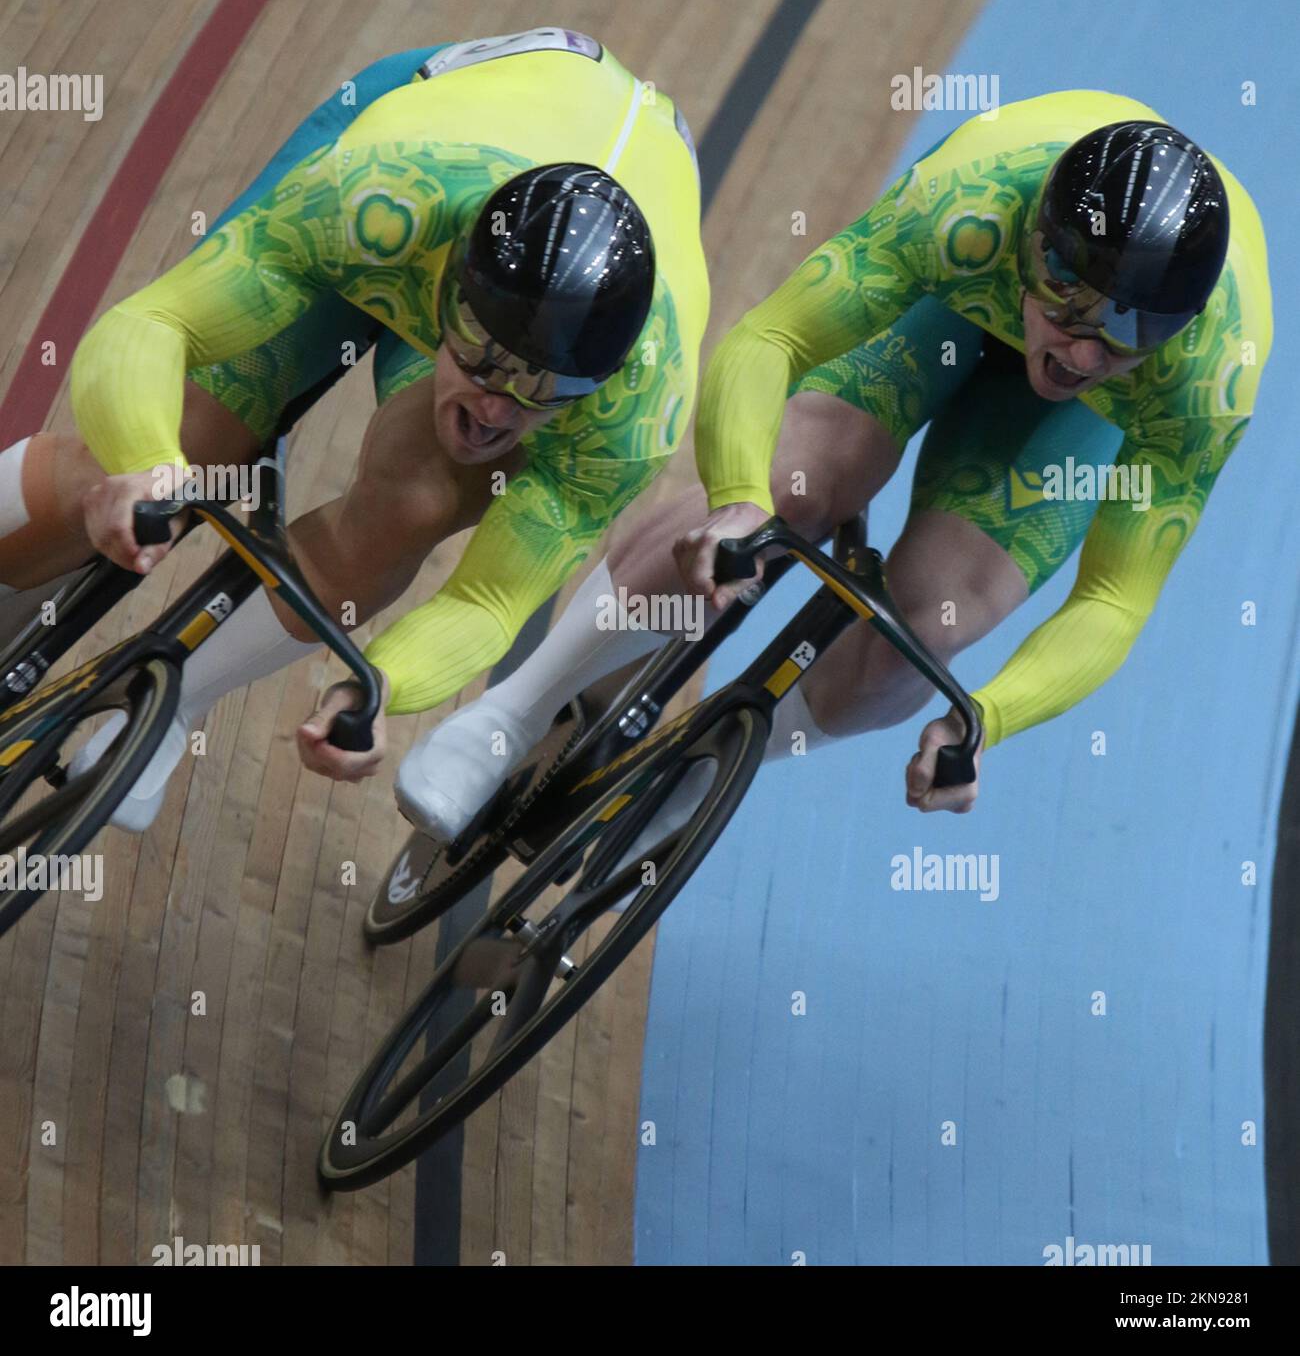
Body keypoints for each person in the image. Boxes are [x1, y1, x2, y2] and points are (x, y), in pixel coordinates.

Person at [397, 90, 1271, 839]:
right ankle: (511, 713)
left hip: (1084, 425)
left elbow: (1115, 601)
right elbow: (771, 338)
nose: (1084, 353)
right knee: (795, 482)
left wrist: (983, 720)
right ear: (1035, 246)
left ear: (1177, 333)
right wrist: (739, 503)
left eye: (1128, 336)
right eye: (1071, 305)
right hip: (953, 299)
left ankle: (694, 788)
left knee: (927, 628)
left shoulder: (1208, 379)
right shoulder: (967, 210)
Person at [0, 29, 707, 830]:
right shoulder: (378, 197)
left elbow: (489, 601)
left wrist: (378, 688)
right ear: (454, 296)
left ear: (596, 383)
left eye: (541, 393)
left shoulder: (634, 411)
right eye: (484, 362)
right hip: (399, 205)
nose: (499, 407)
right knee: (191, 439)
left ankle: (171, 708)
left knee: (416, 502)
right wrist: (140, 462)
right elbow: (156, 324)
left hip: (480, 271)